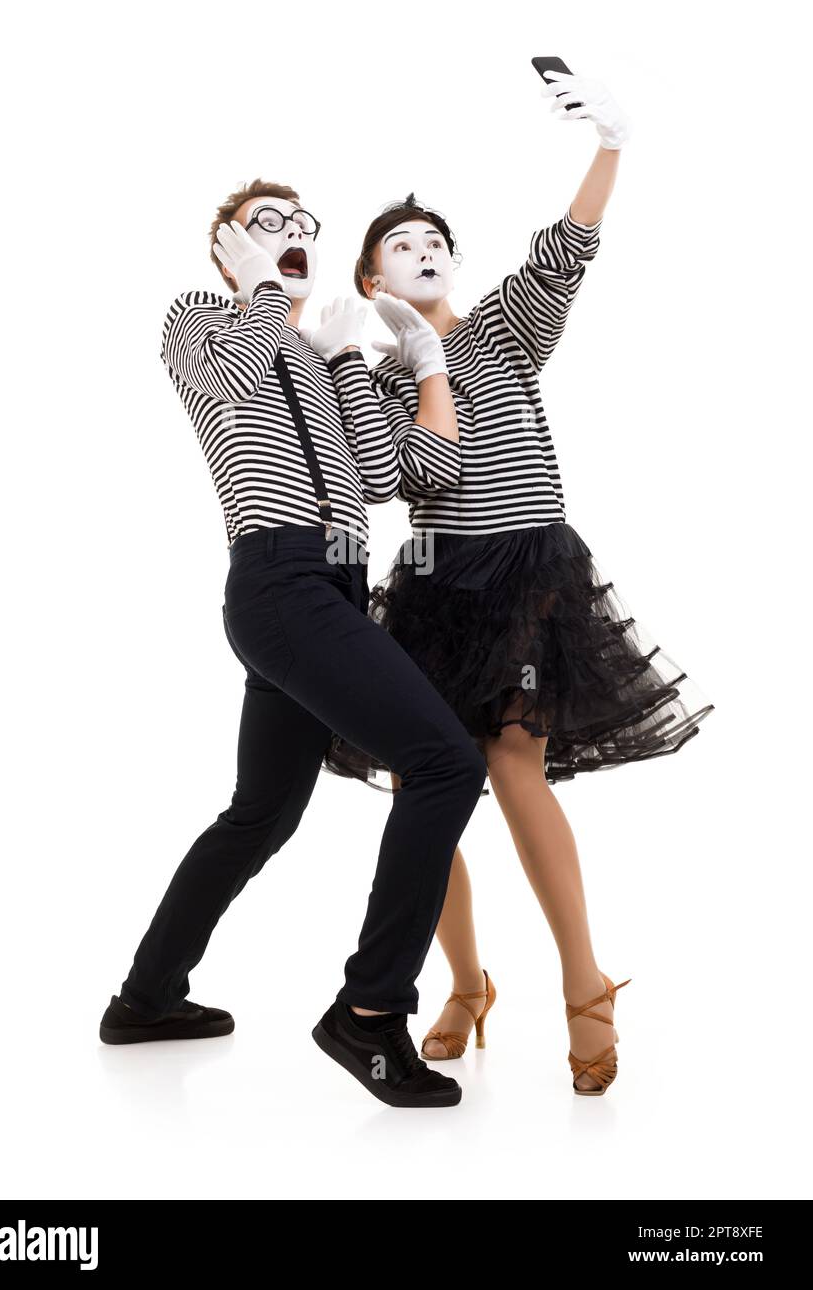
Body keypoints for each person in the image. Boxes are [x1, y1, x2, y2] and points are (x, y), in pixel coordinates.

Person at [327, 70, 715, 1095]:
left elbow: (563, 251)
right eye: (399, 245)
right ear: (370, 278)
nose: (423, 250)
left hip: (527, 567)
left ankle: (582, 984)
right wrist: (410, 366)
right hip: (432, 582)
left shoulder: (500, 330)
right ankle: (463, 983)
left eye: (434, 239)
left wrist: (609, 147)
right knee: (422, 784)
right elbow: (416, 478)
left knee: (511, 767)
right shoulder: (367, 380)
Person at [98, 179, 487, 1110]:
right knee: (444, 766)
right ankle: (369, 1014)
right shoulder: (199, 318)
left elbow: (408, 474)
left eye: (302, 225)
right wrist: (267, 295)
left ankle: (146, 999)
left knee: (262, 814)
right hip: (278, 582)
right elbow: (232, 373)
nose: (291, 235)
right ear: (228, 248)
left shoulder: (317, 352)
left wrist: (365, 359)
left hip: (334, 594)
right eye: (266, 225)